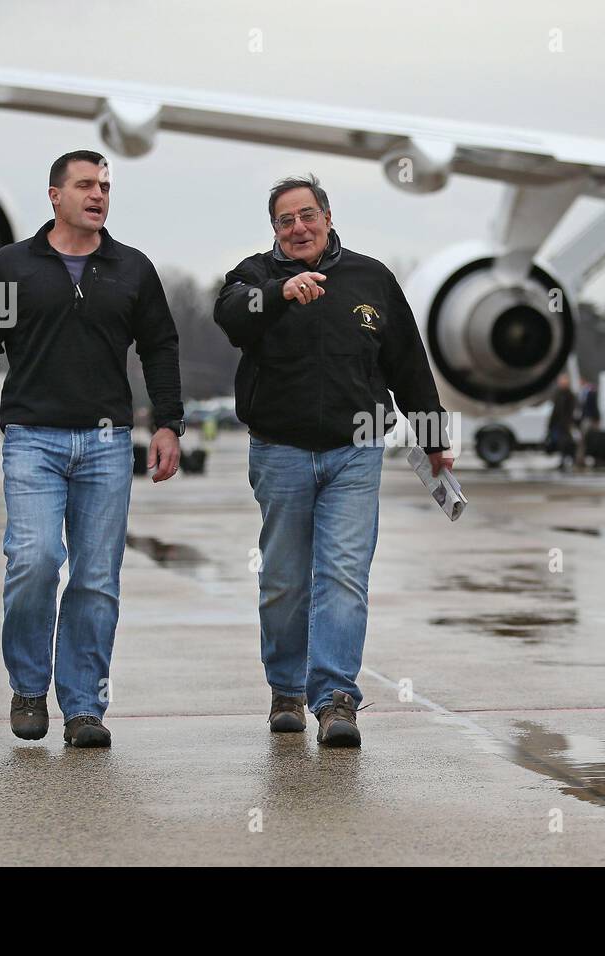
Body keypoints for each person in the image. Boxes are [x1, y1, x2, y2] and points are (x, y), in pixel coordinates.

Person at [0, 149, 183, 749]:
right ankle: (30, 687)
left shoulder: (132, 269)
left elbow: (160, 347)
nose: (98, 194)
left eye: (105, 185)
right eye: (85, 184)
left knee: (97, 576)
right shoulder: (9, 265)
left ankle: (84, 706)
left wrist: (168, 424)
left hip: (108, 444)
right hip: (32, 439)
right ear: (54, 195)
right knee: (33, 561)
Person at [214, 173, 452, 748]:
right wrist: (279, 293)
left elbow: (407, 363)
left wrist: (433, 433)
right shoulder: (254, 277)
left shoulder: (371, 278)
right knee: (284, 581)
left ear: (326, 216)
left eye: (306, 215)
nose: (298, 228)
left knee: (345, 575)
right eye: (285, 220)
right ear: (274, 229)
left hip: (356, 450)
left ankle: (337, 697)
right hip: (280, 451)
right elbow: (229, 317)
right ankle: (287, 691)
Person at [547, 374, 579, 470]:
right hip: (558, 423)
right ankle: (563, 460)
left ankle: (568, 459)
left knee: (567, 443)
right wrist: (551, 423)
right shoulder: (558, 394)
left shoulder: (569, 395)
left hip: (566, 423)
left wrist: (569, 422)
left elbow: (571, 410)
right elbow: (555, 410)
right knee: (562, 443)